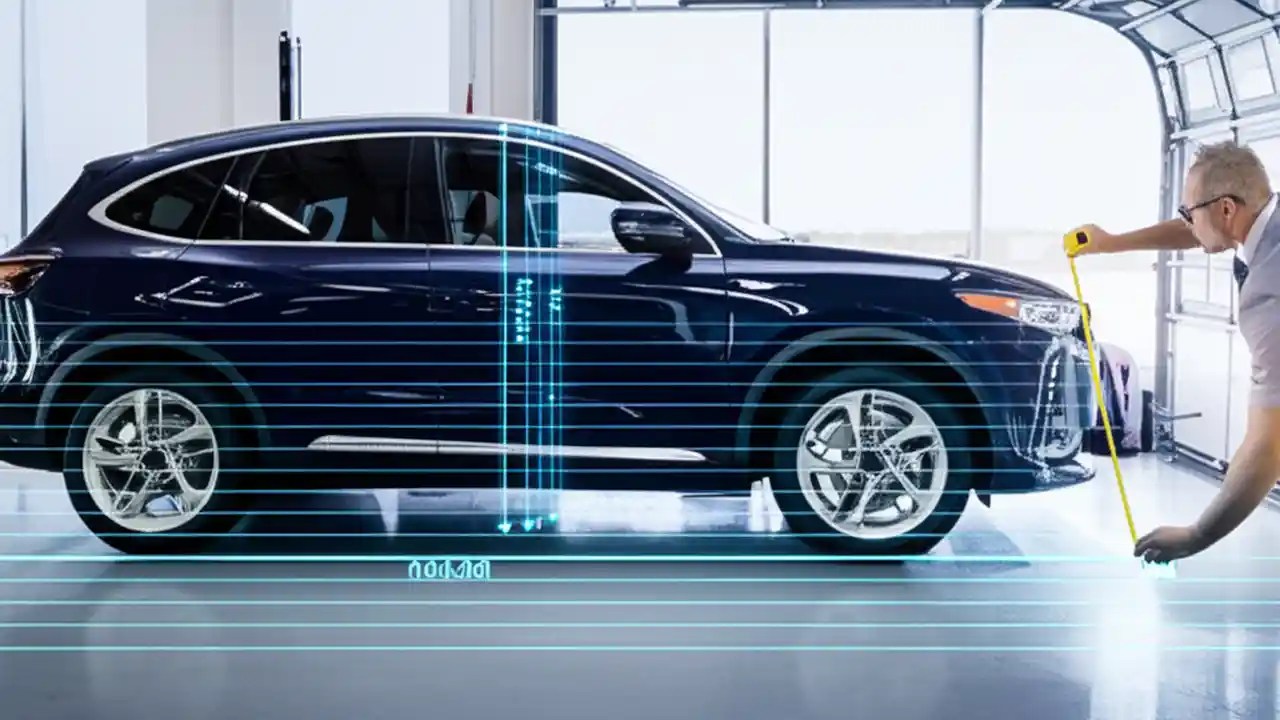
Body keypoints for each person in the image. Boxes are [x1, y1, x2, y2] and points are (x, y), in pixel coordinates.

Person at [1064, 139, 1280, 564]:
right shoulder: (1261, 219)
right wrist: (1110, 244)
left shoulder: (1269, 297)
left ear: (1226, 210)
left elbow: (1269, 446)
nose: (1186, 222)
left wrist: (1198, 535)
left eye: (1188, 210)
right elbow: (1199, 230)